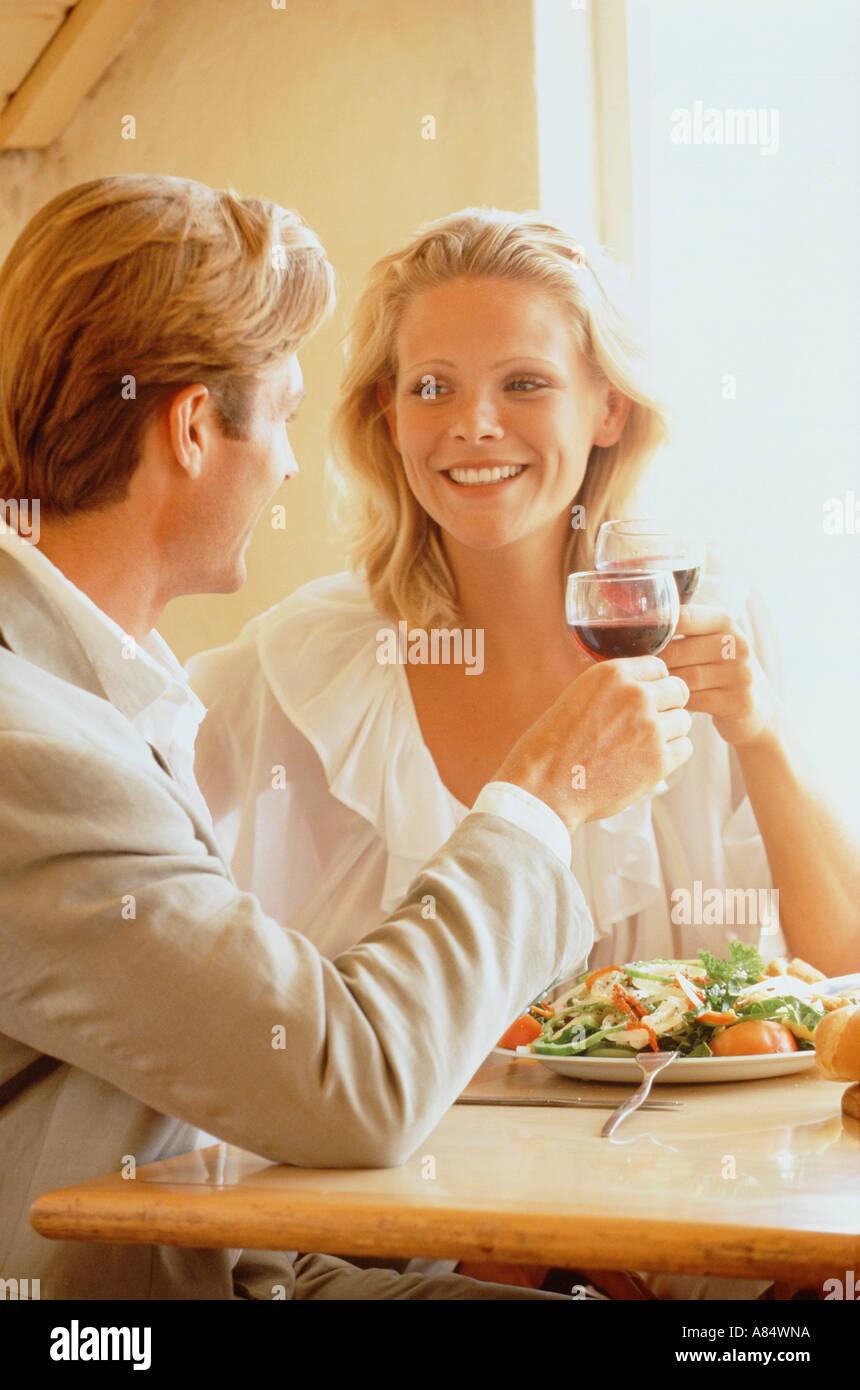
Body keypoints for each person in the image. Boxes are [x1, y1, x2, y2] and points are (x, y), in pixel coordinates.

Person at [0, 176, 692, 1302]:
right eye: (276, 416)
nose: (283, 463)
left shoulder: (104, 684)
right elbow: (349, 1078)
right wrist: (542, 795)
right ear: (189, 427)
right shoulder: (30, 743)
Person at [189, 207, 860, 1299]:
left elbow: (839, 977)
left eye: (525, 384)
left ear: (607, 409)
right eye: (432, 386)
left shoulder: (701, 630)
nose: (473, 425)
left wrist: (759, 733)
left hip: (705, 1224)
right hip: (416, 1238)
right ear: (385, 418)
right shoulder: (298, 671)